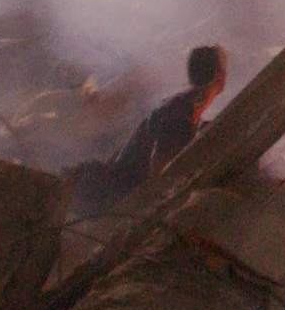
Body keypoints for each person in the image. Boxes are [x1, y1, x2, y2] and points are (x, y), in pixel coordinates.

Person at [69, 45, 228, 216]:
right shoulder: (181, 114)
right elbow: (158, 178)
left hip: (105, 192)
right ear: (219, 76)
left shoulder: (182, 107)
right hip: (107, 201)